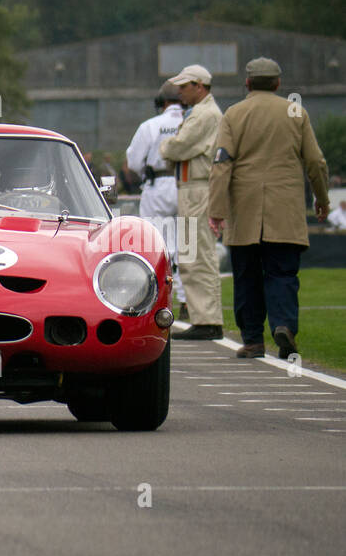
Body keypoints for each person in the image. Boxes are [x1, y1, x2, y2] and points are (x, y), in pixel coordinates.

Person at [208, 57, 331, 360]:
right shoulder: (295, 112)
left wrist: (217, 209)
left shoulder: (234, 114)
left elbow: (222, 163)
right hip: (284, 209)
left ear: (247, 83)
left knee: (246, 275)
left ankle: (252, 339)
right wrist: (321, 198)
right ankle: (284, 325)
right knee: (283, 274)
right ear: (278, 83)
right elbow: (316, 162)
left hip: (245, 210)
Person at [160, 63, 224, 340]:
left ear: (200, 86)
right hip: (189, 187)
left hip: (198, 188)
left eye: (185, 86)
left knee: (198, 253)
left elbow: (177, 145)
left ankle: (208, 320)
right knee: (190, 253)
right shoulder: (200, 112)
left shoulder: (205, 114)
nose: (180, 91)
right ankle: (203, 317)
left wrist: (167, 148)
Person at [126, 81, 186, 318]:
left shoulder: (150, 126)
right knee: (186, 245)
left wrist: (144, 174)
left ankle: (161, 300)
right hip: (184, 182)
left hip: (158, 185)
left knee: (158, 244)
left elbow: (133, 162)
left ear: (161, 103)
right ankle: (186, 301)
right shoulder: (189, 122)